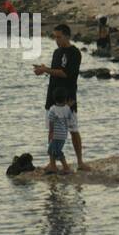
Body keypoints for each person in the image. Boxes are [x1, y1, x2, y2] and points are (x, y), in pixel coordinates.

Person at [33, 24, 86, 169]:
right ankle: (52, 163)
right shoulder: (56, 52)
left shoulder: (74, 53)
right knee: (52, 129)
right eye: (55, 37)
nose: (56, 40)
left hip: (68, 97)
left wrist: (45, 70)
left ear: (67, 36)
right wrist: (43, 68)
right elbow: (55, 70)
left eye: (59, 37)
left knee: (73, 129)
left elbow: (65, 73)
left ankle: (80, 162)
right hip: (52, 96)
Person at [43, 92, 75, 175]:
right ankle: (53, 167)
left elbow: (51, 123)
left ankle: (66, 167)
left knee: (55, 151)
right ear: (65, 99)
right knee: (53, 151)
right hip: (63, 135)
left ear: (54, 99)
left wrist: (50, 134)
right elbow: (71, 121)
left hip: (55, 135)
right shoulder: (67, 109)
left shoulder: (53, 109)